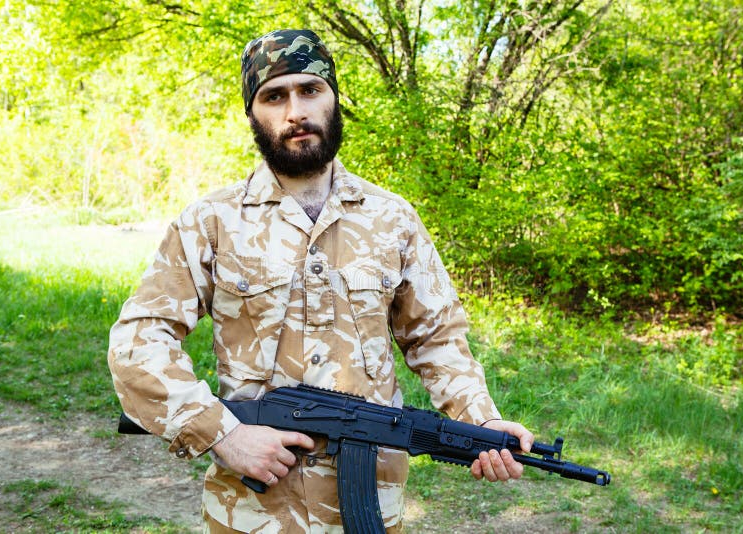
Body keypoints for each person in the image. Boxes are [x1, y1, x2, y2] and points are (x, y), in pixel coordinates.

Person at [108, 29, 533, 533]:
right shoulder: (210, 221)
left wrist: (479, 419)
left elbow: (436, 337)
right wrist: (222, 434)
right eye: (274, 96)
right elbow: (138, 342)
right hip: (250, 513)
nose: (295, 112)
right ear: (253, 114)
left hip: (371, 503)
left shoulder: (393, 219)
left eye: (310, 90)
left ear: (333, 100)